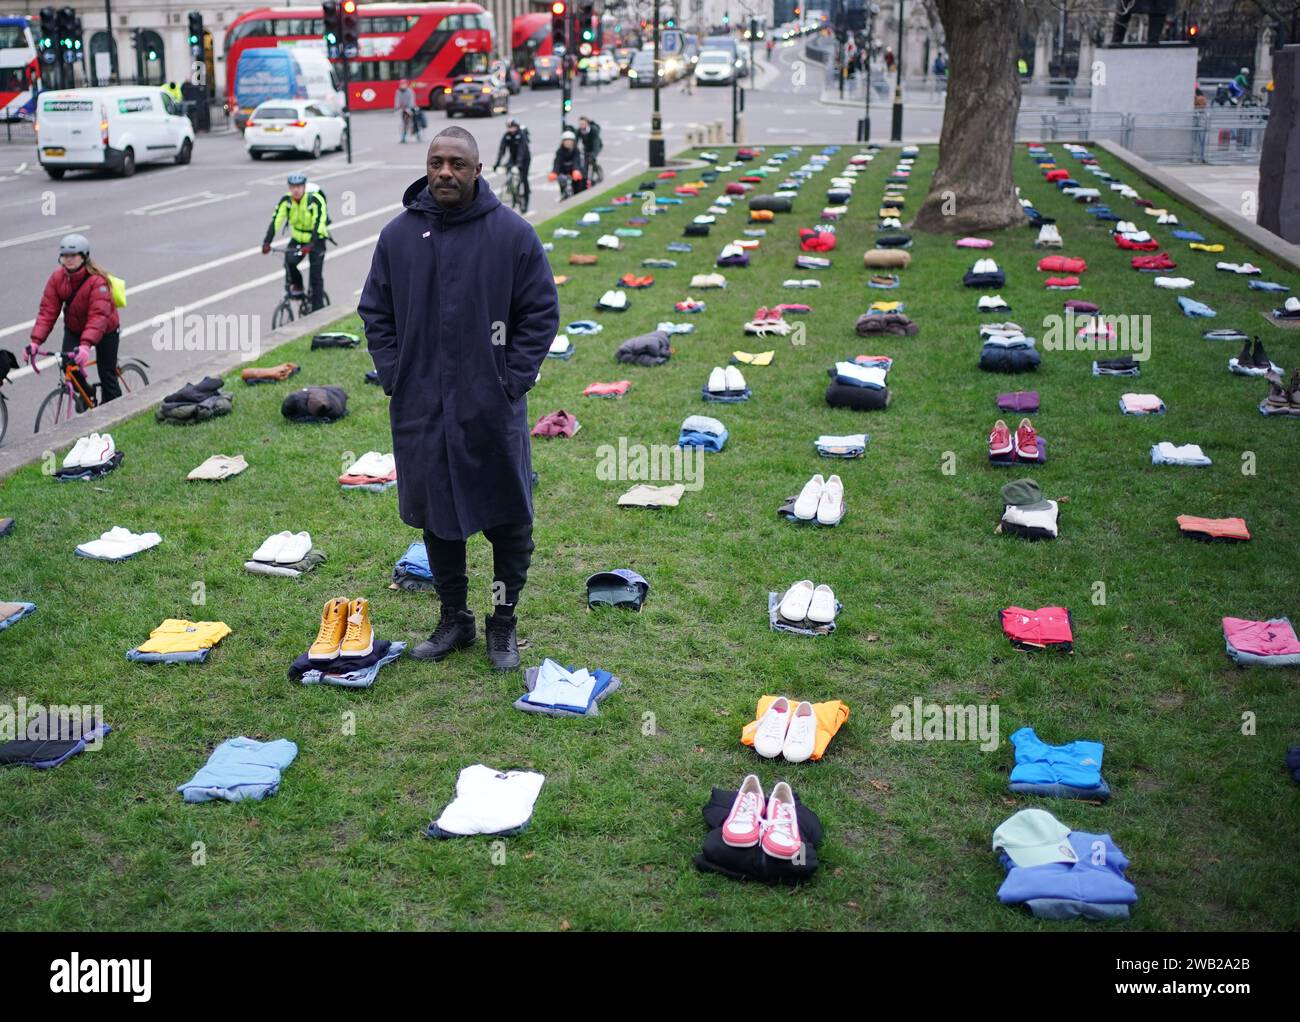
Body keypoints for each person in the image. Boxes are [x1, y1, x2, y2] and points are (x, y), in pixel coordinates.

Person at [358, 126, 558, 671]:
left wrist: (509, 379)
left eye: (458, 164)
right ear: (427, 167)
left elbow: (540, 312)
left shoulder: (511, 235)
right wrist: (396, 372)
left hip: (490, 408)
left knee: (509, 523)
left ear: (477, 170)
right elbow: (375, 311)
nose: (445, 172)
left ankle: (502, 622)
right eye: (436, 162)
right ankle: (454, 620)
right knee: (438, 519)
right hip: (422, 407)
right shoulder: (399, 237)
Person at [26, 233, 122, 403]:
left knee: (107, 374)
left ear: (84, 256)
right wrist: (35, 342)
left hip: (105, 330)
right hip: (75, 328)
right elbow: (47, 311)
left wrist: (85, 346)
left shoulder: (97, 282)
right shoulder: (58, 278)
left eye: (73, 255)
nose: (68, 259)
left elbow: (98, 317)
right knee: (68, 366)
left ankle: (118, 418)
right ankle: (89, 395)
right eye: (64, 256)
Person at [261, 172, 330, 311]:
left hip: (316, 240)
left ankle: (318, 310)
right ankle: (298, 286)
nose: (296, 190)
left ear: (304, 187)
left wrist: (311, 244)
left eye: (299, 186)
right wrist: (267, 242)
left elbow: (320, 222)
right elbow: (276, 221)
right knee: (289, 262)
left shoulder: (315, 200)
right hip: (298, 239)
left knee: (315, 276)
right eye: (293, 187)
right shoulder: (286, 201)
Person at [493, 118, 532, 212]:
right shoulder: (507, 136)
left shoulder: (521, 135)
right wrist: (497, 163)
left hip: (524, 159)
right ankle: (514, 196)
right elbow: (502, 149)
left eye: (512, 127)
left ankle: (526, 200)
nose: (510, 129)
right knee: (510, 175)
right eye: (508, 127)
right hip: (513, 158)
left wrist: (518, 164)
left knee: (524, 178)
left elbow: (521, 151)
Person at [550, 130, 587, 197]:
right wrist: (554, 172)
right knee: (562, 185)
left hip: (575, 173)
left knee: (579, 187)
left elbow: (576, 161)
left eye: (569, 141)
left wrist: (576, 170)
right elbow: (557, 162)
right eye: (566, 141)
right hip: (564, 174)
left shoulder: (576, 150)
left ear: (573, 142)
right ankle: (563, 195)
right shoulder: (560, 151)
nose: (568, 143)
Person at [394, 78, 421, 143]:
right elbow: (397, 100)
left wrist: (410, 107)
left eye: (404, 84)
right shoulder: (398, 91)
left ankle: (418, 135)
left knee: (414, 122)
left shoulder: (410, 91)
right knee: (404, 123)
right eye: (401, 84)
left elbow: (412, 100)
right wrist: (397, 107)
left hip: (411, 108)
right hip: (404, 109)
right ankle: (403, 137)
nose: (403, 85)